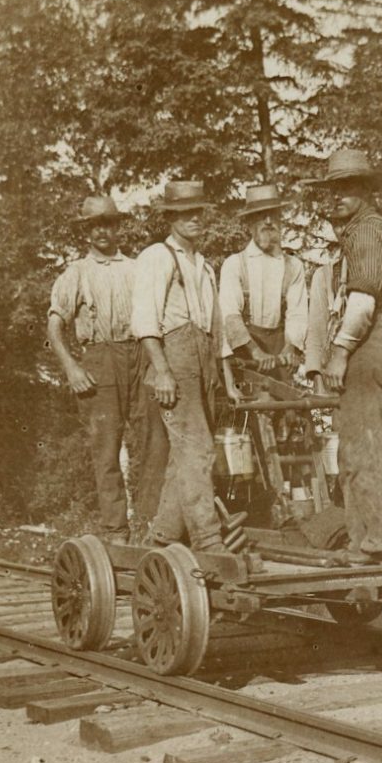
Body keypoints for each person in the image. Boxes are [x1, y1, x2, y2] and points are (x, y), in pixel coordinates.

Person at [304, 149, 382, 561]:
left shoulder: (366, 232)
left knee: (361, 446)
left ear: (366, 190)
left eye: (347, 188)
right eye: (333, 189)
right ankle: (362, 539)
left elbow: (363, 304)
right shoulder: (366, 231)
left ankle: (378, 539)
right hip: (377, 341)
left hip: (368, 341)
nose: (337, 197)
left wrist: (340, 353)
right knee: (358, 444)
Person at [47, 195, 168, 545]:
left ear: (118, 228)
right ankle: (116, 531)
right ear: (86, 231)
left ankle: (153, 526)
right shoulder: (76, 273)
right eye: (95, 225)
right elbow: (55, 327)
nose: (103, 231)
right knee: (106, 448)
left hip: (139, 353)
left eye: (109, 224)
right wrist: (71, 367)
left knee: (155, 441)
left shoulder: (135, 268)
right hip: (99, 359)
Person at [131, 180, 226, 552]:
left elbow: (212, 326)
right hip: (174, 356)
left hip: (202, 358)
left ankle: (162, 537)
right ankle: (207, 540)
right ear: (170, 218)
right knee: (197, 449)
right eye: (185, 213)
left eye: (197, 212)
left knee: (184, 454)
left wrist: (218, 371)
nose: (193, 219)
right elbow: (144, 321)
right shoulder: (157, 257)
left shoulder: (203, 265)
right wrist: (163, 370)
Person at [304, 221, 382, 522]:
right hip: (339, 371)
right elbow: (316, 327)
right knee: (346, 446)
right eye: (331, 247)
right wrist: (316, 376)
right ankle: (351, 522)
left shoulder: (380, 265)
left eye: (341, 245)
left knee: (378, 441)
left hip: (372, 359)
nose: (337, 251)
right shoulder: (323, 276)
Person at [218, 182, 308, 387]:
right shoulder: (235, 265)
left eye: (273, 215)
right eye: (261, 216)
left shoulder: (293, 266)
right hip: (247, 355)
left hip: (280, 356)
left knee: (291, 413)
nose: (268, 222)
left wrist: (291, 348)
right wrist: (255, 352)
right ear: (249, 223)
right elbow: (230, 315)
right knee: (250, 414)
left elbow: (298, 314)